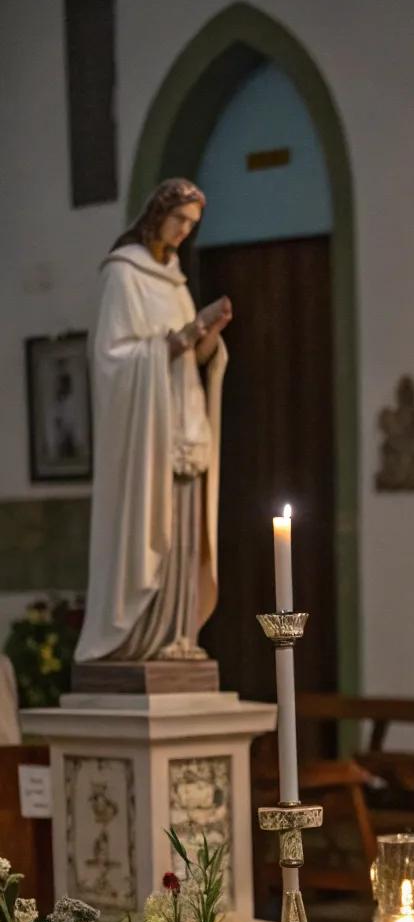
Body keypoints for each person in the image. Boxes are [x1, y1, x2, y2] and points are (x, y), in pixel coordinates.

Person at [76, 179, 233, 664]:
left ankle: (176, 635)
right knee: (155, 533)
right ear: (157, 214)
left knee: (185, 539)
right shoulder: (123, 275)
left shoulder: (177, 282)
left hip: (183, 423)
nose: (185, 231)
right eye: (180, 220)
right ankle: (140, 638)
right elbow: (111, 358)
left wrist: (208, 335)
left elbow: (186, 357)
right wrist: (177, 339)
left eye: (193, 225)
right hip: (147, 435)